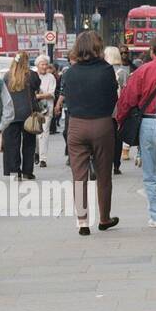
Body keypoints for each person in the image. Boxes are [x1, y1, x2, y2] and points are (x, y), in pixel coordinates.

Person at [115, 31, 156, 229]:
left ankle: (155, 215)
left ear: (151, 51)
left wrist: (120, 119)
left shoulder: (142, 71)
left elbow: (128, 98)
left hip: (148, 124)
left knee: (150, 172)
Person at [61, 31, 120, 235]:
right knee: (104, 175)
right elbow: (113, 98)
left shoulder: (70, 72)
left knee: (79, 176)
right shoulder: (106, 70)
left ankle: (82, 222)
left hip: (76, 125)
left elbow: (67, 98)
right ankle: (104, 218)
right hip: (102, 124)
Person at [0, 52, 40, 181]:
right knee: (29, 143)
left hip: (10, 114)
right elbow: (37, 87)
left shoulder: (6, 76)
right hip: (28, 114)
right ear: (26, 61)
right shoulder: (31, 75)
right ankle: (27, 171)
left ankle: (13, 172)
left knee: (11, 144)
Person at [105, 46, 130, 174]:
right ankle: (116, 164)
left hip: (105, 109)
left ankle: (106, 163)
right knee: (117, 137)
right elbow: (126, 92)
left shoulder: (103, 71)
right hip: (118, 109)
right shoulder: (123, 72)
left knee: (106, 137)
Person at [34, 55, 57, 167]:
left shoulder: (51, 77)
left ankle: (43, 158)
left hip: (47, 109)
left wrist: (38, 96)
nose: (44, 66)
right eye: (42, 64)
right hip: (35, 109)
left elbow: (51, 93)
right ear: (37, 65)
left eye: (45, 64)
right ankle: (37, 152)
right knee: (36, 133)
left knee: (44, 132)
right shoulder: (33, 75)